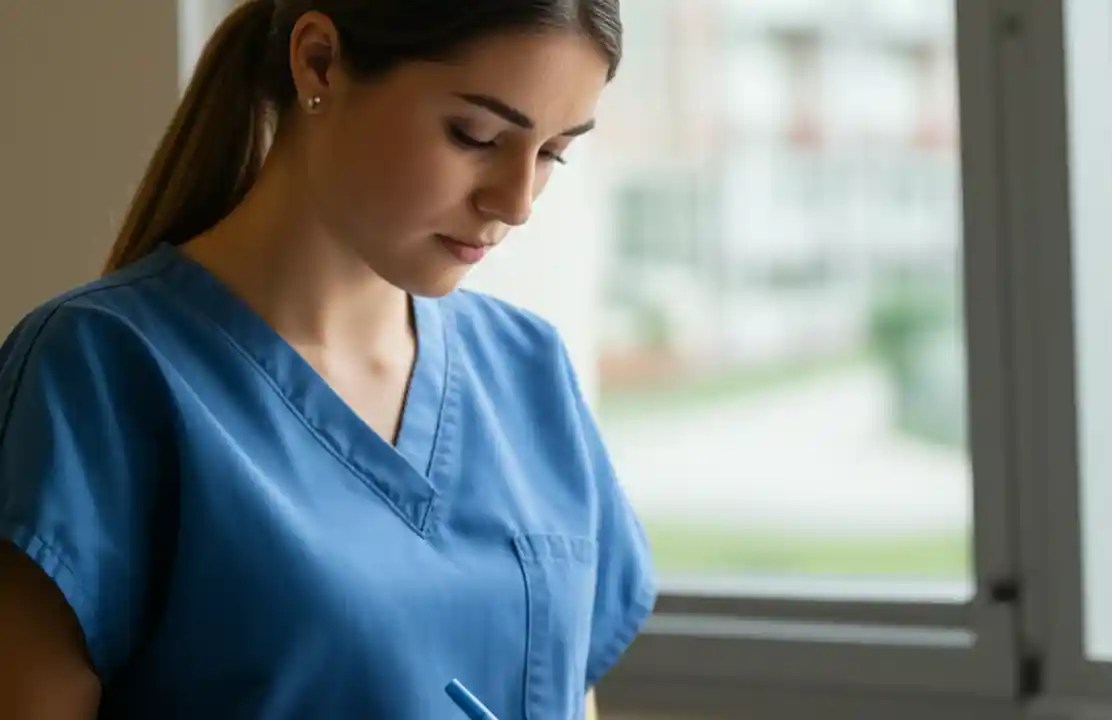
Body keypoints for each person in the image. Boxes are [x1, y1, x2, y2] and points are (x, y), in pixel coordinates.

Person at [0, 1, 655, 717]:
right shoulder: (97, 373)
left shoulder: (529, 371)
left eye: (555, 152)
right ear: (318, 62)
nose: (518, 200)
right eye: (477, 135)